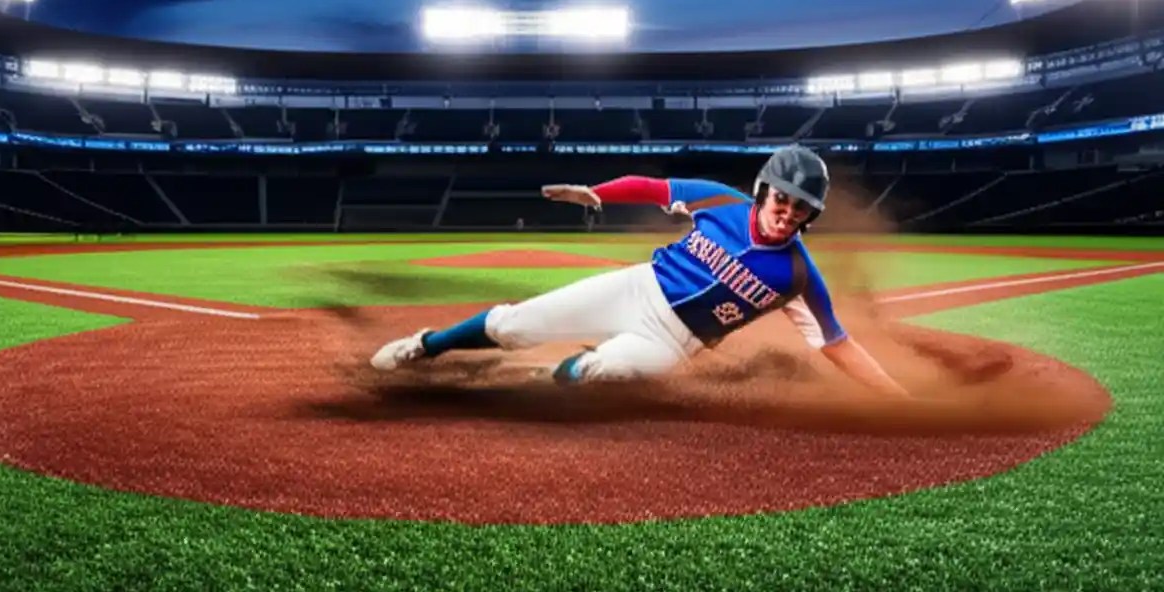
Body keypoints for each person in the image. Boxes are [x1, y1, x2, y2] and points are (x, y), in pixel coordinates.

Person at [370, 145, 908, 397]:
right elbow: (653, 188)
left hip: (674, 342)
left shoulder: (796, 275)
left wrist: (900, 400)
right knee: (513, 327)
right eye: (782, 198)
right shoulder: (720, 201)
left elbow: (837, 342)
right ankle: (426, 345)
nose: (787, 212)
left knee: (601, 371)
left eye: (800, 208)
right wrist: (596, 194)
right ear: (765, 189)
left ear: (810, 215)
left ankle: (549, 377)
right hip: (633, 290)